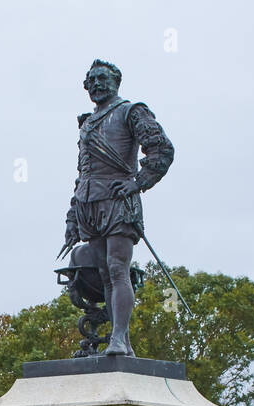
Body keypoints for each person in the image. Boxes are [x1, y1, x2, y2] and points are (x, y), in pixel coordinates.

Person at [61, 59, 174, 356]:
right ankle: (120, 340)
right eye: (92, 81)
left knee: (117, 268)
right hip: (89, 203)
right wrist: (72, 219)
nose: (97, 84)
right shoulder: (87, 123)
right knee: (103, 273)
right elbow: (82, 173)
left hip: (118, 200)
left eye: (103, 79)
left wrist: (138, 183)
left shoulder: (131, 111)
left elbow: (162, 149)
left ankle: (119, 339)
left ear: (116, 82)